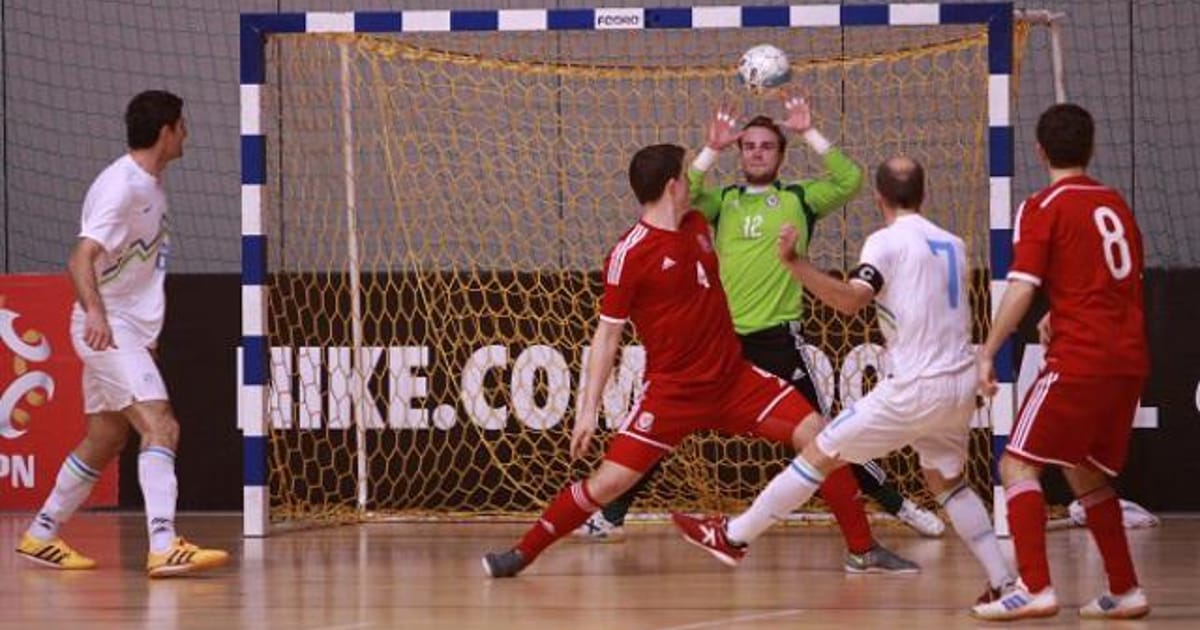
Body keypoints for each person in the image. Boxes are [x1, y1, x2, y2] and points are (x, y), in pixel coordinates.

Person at [482, 143, 909, 578]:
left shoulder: (698, 224)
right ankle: (522, 553)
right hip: (673, 394)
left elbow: (708, 200)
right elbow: (608, 333)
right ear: (672, 186)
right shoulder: (629, 254)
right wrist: (587, 411)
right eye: (685, 176)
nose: (692, 182)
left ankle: (862, 549)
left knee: (822, 438)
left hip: (734, 380)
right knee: (608, 485)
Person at [576, 95, 943, 547]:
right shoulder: (721, 201)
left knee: (827, 438)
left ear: (780, 154)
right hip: (721, 343)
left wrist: (809, 131)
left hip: (778, 340)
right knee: (664, 429)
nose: (756, 152)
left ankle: (895, 504)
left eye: (767, 146)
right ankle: (612, 514)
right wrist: (710, 148)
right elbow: (675, 193)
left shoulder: (800, 197)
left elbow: (850, 181)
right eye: (748, 146)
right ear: (739, 153)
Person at [671, 156, 1014, 606]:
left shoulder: (885, 242)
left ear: (878, 198)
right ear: (924, 194)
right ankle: (1004, 583)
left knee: (819, 451)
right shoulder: (952, 242)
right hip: (958, 385)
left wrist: (794, 263)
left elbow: (851, 301)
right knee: (947, 482)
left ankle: (733, 537)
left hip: (914, 387)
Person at [15, 90, 229, 578]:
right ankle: (162, 544)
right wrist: (97, 315)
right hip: (109, 330)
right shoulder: (123, 187)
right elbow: (80, 257)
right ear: (165, 132)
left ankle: (41, 534)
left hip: (124, 326)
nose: (187, 134)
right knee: (162, 426)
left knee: (106, 436)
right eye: (183, 126)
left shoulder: (149, 182)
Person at [972, 103, 1150, 620]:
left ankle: (1035, 587)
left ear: (1039, 150)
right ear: (1091, 148)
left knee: (1016, 462)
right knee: (1084, 470)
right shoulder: (1116, 204)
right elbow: (1117, 281)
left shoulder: (1042, 206)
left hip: (1081, 359)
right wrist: (1060, 310)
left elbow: (1023, 286)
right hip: (1128, 359)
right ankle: (1126, 588)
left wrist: (987, 351)